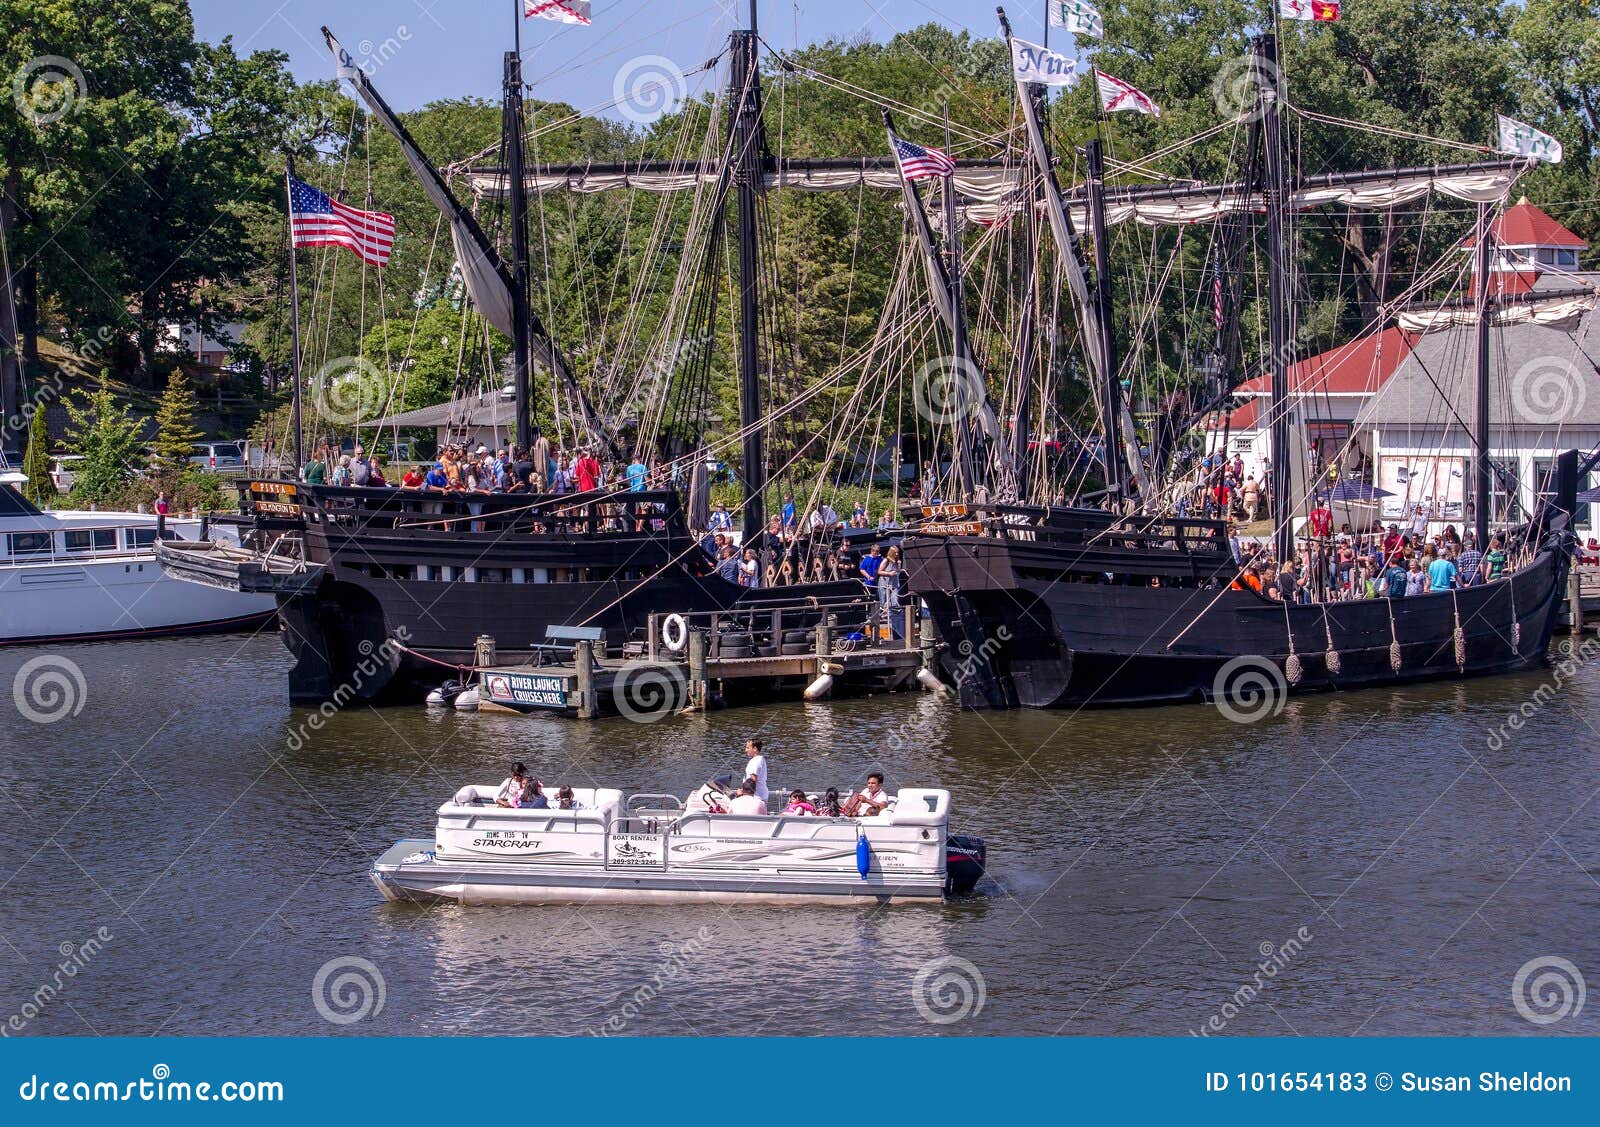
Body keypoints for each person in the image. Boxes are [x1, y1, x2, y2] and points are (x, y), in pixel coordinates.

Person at [878, 545, 903, 636]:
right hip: (885, 584)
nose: (897, 554)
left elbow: (898, 572)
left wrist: (899, 566)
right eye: (895, 553)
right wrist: (888, 573)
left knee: (895, 601)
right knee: (883, 603)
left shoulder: (896, 561)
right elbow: (879, 571)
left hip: (894, 584)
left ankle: (896, 620)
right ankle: (882, 619)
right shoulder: (886, 560)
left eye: (897, 553)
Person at [742, 738, 768, 803]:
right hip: (758, 796)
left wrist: (743, 792)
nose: (745, 750)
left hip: (756, 798)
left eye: (748, 748)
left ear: (755, 749)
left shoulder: (756, 761)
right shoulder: (759, 759)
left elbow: (753, 780)